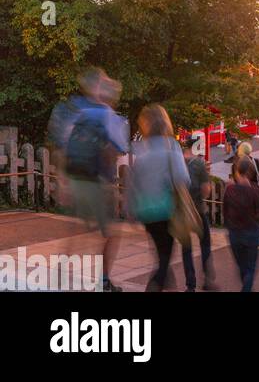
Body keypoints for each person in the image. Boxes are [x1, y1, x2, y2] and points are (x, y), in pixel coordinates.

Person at [48, 67, 130, 292]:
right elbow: (117, 148)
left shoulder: (70, 109)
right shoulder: (105, 113)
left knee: (75, 232)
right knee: (110, 233)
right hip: (98, 181)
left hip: (75, 179)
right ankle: (104, 281)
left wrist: (62, 181)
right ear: (99, 87)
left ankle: (60, 278)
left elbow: (59, 148)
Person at [128, 104, 191, 293]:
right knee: (164, 258)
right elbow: (183, 179)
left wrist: (130, 210)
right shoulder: (171, 146)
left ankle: (165, 283)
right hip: (166, 210)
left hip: (146, 212)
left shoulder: (142, 151)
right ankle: (154, 286)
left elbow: (134, 182)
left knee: (161, 253)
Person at [224, 158, 259, 292]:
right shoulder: (254, 191)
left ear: (237, 171)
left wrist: (230, 226)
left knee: (242, 268)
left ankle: (247, 288)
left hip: (235, 234)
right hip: (251, 233)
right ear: (249, 172)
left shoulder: (230, 190)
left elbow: (225, 211)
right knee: (250, 268)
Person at [180, 143, 217, 291]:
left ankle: (190, 285)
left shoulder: (177, 164)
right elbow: (206, 190)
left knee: (186, 249)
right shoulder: (199, 164)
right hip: (198, 210)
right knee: (205, 244)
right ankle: (208, 279)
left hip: (183, 211)